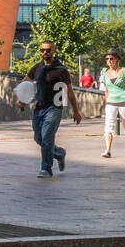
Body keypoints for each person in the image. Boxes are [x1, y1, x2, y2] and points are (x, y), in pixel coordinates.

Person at [18, 41, 81, 177]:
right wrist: (21, 99)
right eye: (42, 50)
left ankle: (46, 169)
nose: (44, 53)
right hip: (39, 108)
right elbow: (26, 83)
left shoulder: (61, 70)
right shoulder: (37, 68)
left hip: (55, 108)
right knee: (38, 138)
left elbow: (70, 91)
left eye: (47, 50)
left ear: (54, 51)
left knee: (47, 136)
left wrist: (76, 111)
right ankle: (59, 153)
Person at [100, 50, 125, 157]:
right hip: (111, 103)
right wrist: (107, 101)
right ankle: (108, 150)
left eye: (111, 58)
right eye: (107, 59)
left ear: (116, 59)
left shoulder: (124, 70)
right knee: (109, 126)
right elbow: (106, 90)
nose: (109, 61)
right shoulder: (105, 73)